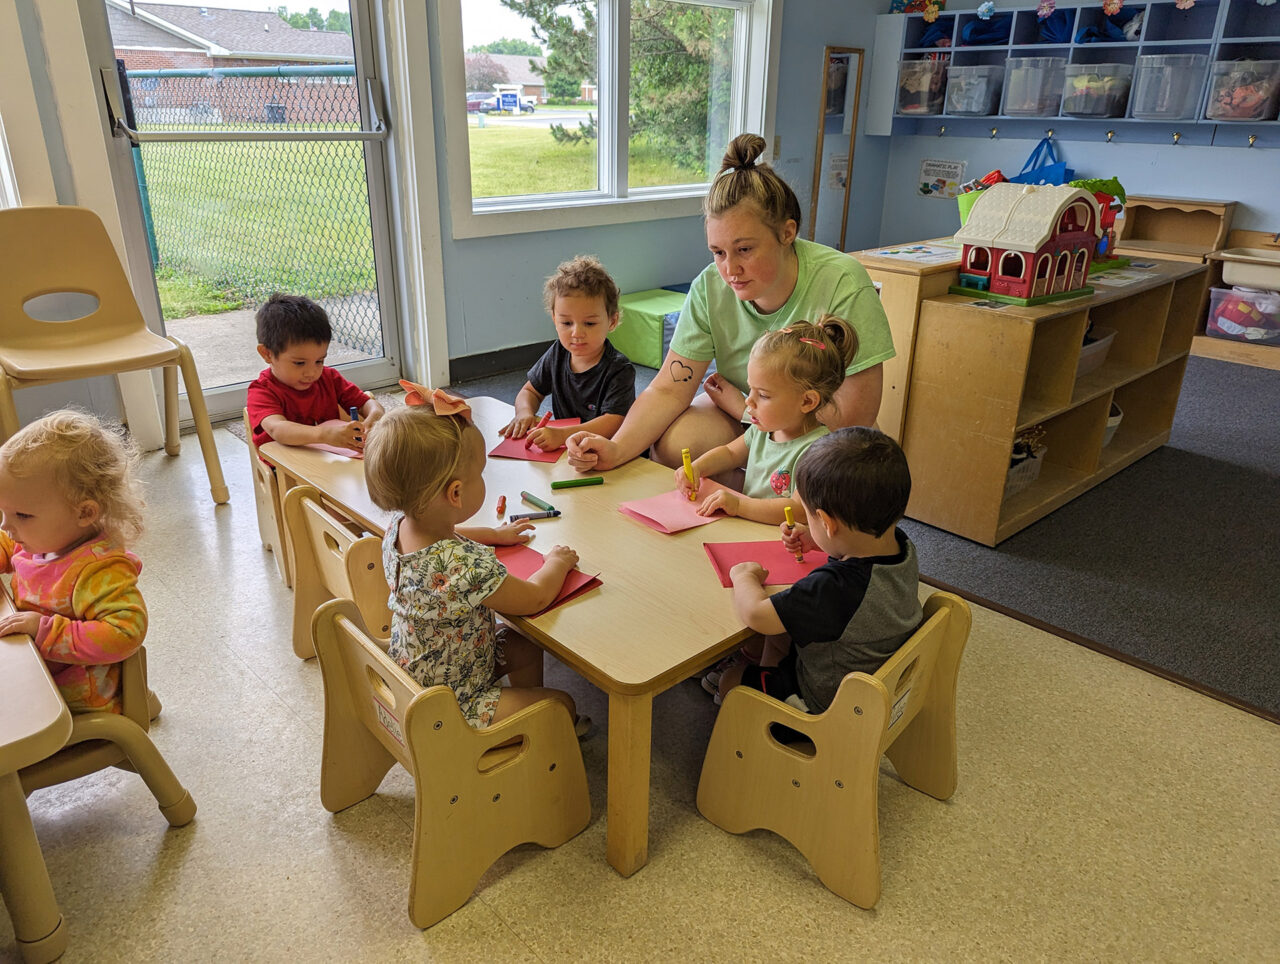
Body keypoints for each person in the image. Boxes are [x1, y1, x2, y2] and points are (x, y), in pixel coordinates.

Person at [566, 132, 894, 475]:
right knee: (674, 448)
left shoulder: (843, 281)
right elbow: (669, 389)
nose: (730, 270)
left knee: (811, 472)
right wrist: (617, 449)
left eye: (745, 250)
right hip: (750, 412)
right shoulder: (709, 286)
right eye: (718, 252)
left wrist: (745, 412)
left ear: (787, 233)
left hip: (816, 428)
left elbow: (853, 416)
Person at [364, 403, 591, 735]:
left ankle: (524, 716)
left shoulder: (399, 527)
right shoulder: (466, 567)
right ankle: (535, 736)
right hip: (448, 709)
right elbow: (535, 597)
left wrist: (494, 535)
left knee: (524, 644)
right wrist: (558, 562)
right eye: (481, 474)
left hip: (421, 676)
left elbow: (450, 535)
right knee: (560, 706)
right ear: (455, 493)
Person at [711, 427, 923, 713]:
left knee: (731, 680)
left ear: (826, 522)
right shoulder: (901, 545)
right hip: (873, 680)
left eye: (811, 519)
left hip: (826, 707)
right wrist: (817, 540)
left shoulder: (834, 588)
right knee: (782, 632)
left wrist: (743, 576)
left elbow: (757, 616)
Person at [0, 410, 147, 714]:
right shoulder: (39, 538)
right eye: (3, 512)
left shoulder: (98, 571)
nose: (6, 525)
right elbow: (6, 545)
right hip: (34, 669)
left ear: (84, 513)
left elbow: (126, 633)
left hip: (74, 700)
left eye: (22, 515)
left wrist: (45, 631)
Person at [675, 316, 857, 526]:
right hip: (749, 526)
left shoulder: (818, 451)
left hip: (782, 538)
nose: (748, 400)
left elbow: (798, 510)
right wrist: (698, 468)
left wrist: (739, 506)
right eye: (750, 388)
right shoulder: (763, 430)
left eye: (763, 395)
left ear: (807, 401)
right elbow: (730, 453)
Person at [499, 255, 636, 452]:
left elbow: (614, 422)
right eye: (566, 323)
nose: (577, 333)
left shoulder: (619, 369)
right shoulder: (558, 353)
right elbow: (529, 392)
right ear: (555, 319)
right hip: (567, 450)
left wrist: (563, 435)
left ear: (612, 321)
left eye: (589, 323)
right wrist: (524, 413)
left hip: (608, 453)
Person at [246, 293, 385, 452]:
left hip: (329, 458)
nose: (312, 373)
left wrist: (375, 414)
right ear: (267, 354)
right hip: (284, 464)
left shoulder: (329, 378)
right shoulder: (262, 391)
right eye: (299, 363)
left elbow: (365, 402)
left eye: (319, 361)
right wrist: (324, 434)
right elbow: (278, 429)